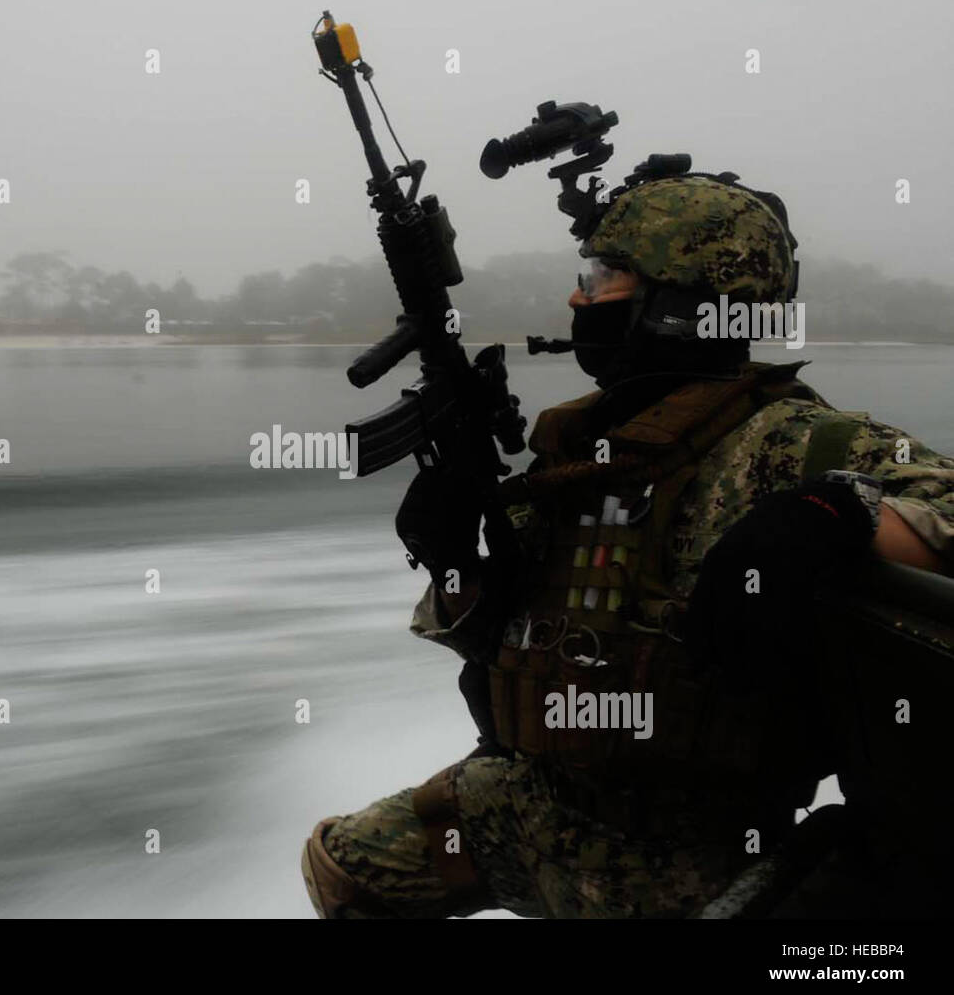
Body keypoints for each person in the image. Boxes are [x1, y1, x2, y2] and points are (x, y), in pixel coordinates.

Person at [301, 172, 954, 919]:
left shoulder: (793, 446)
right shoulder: (585, 447)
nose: (579, 298)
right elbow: (497, 639)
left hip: (687, 850)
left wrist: (835, 511)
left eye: (607, 278)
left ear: (678, 300)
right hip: (529, 799)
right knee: (341, 867)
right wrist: (453, 559)